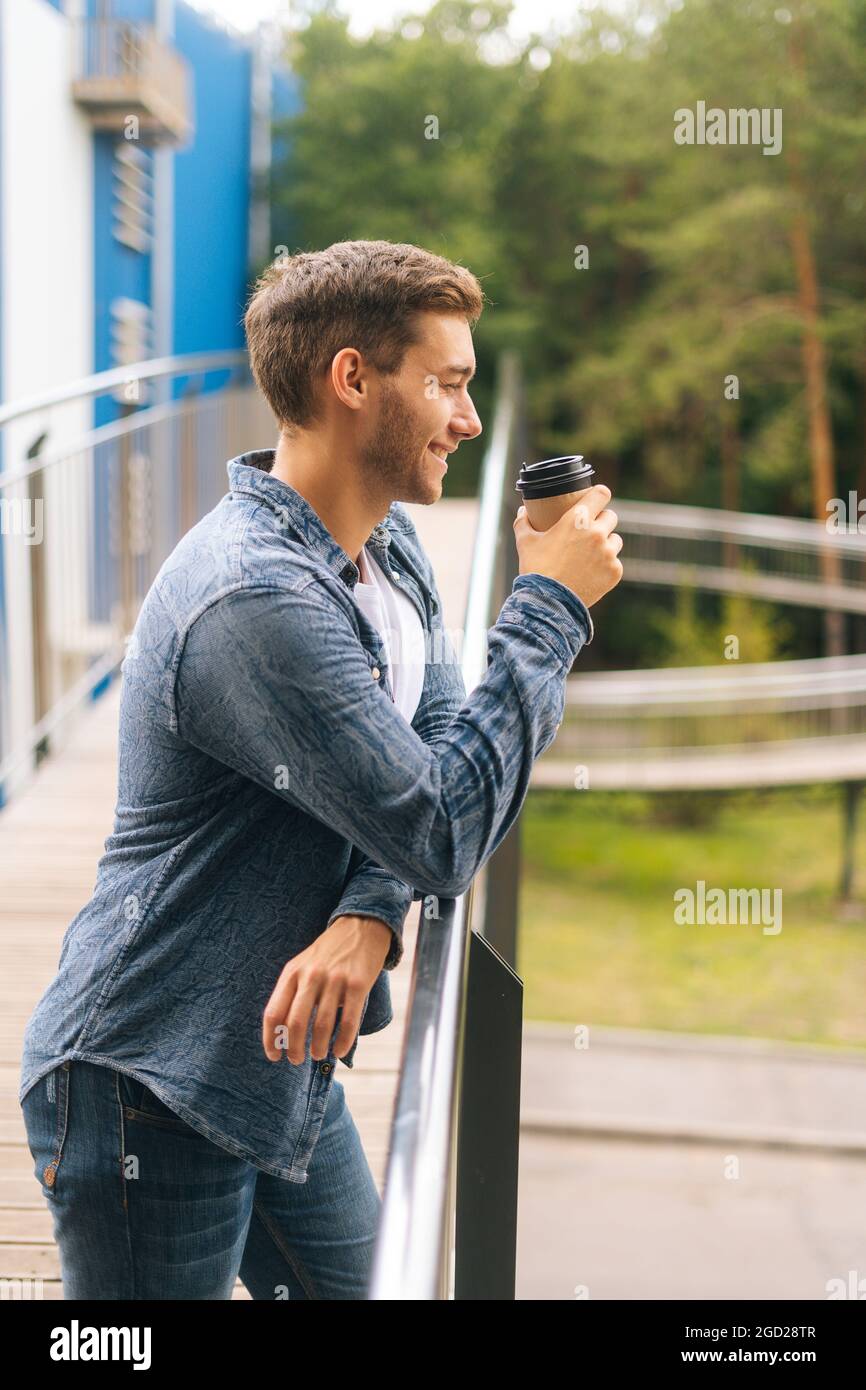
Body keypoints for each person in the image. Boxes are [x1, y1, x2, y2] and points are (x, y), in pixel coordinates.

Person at [19, 239, 623, 1299]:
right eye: (445, 383)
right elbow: (440, 824)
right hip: (149, 1078)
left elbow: (427, 776)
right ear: (352, 379)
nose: (469, 419)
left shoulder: (387, 550)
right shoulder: (255, 599)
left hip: (278, 1058)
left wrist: (371, 913)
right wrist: (548, 608)